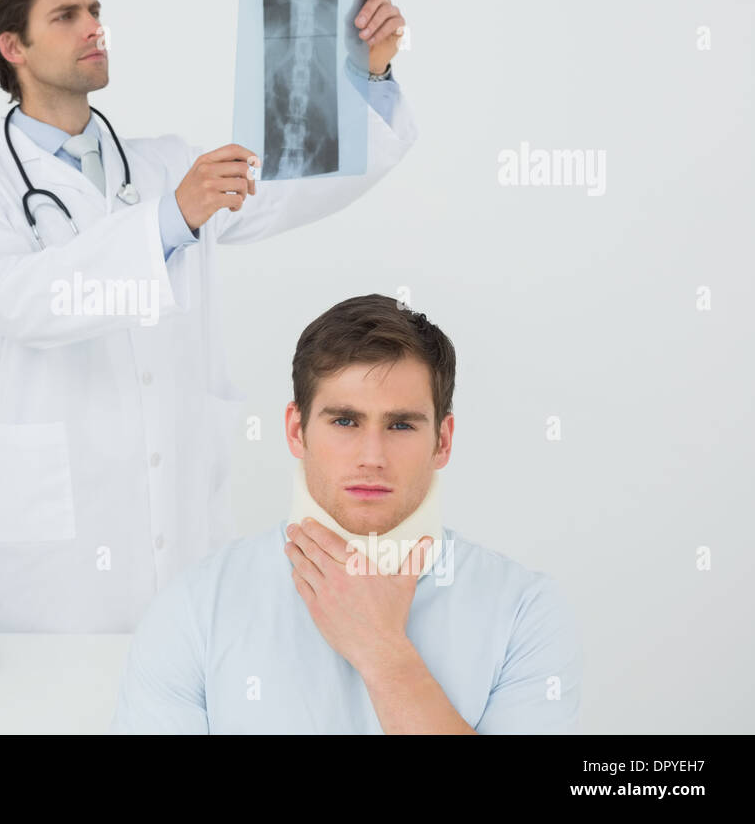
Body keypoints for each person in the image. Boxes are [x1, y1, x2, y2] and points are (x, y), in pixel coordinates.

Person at [0, 0, 418, 632]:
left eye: (95, 9)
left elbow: (297, 186)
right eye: (66, 15)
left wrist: (367, 75)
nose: (94, 25)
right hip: (57, 569)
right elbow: (23, 300)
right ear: (14, 47)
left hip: (183, 528)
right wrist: (170, 220)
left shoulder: (167, 167)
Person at [111, 294, 583, 733]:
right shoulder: (193, 609)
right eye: (344, 421)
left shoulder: (525, 612)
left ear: (443, 440)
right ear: (296, 430)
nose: (371, 456)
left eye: (400, 424)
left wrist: (384, 654)